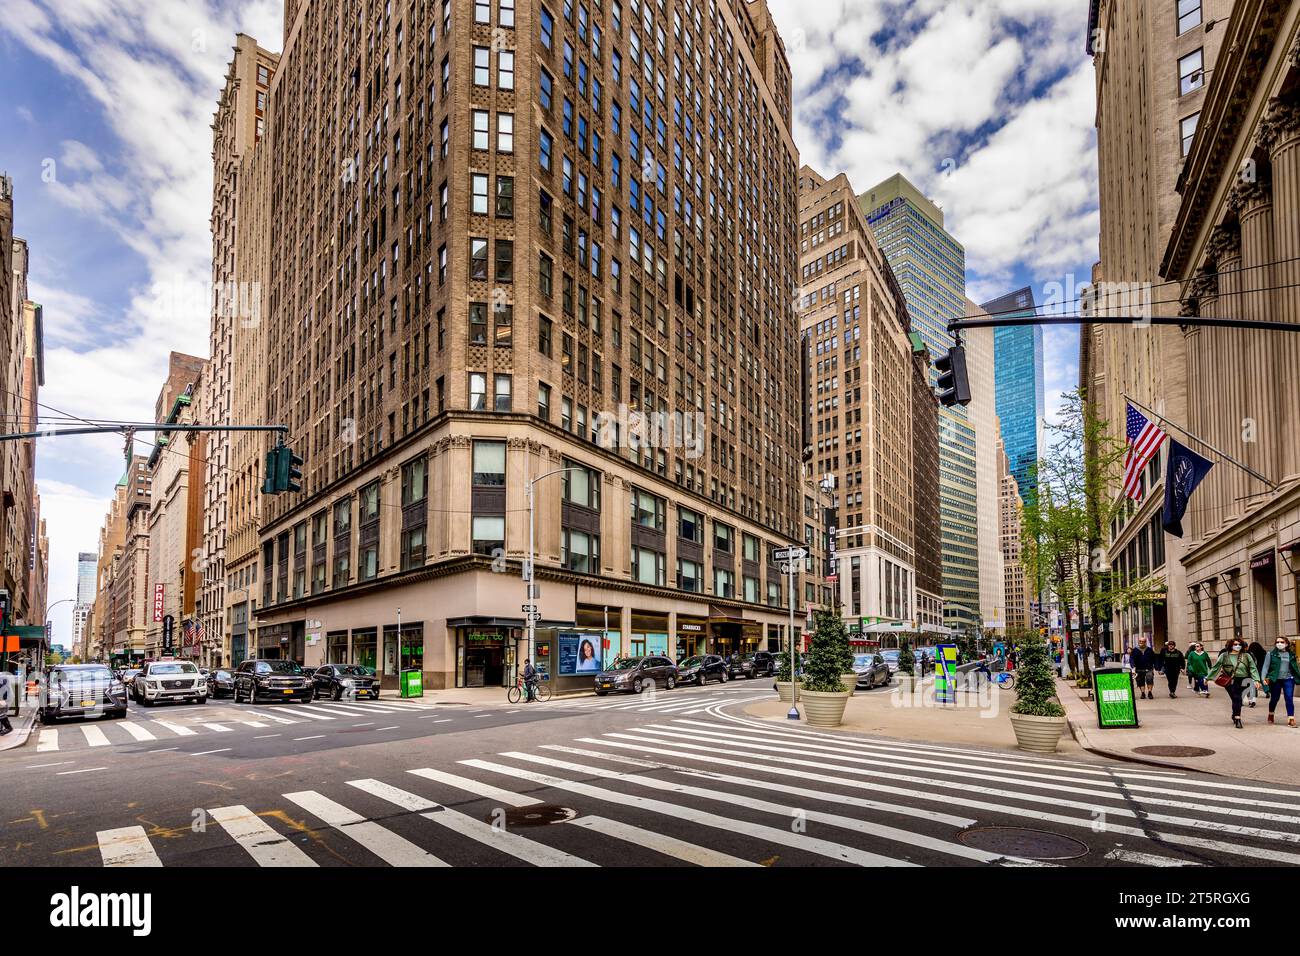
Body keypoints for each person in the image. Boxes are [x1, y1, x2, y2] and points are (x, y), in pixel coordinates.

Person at [1207, 639, 1263, 729]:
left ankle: (1236, 716)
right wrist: (1208, 677)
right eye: (1235, 644)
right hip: (1231, 681)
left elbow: (1253, 668)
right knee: (1236, 698)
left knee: (1237, 699)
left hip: (1244, 680)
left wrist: (1256, 680)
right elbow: (1216, 667)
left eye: (1239, 644)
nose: (1238, 646)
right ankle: (1237, 717)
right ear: (1230, 646)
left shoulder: (1246, 655)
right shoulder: (1224, 656)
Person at [1262, 638, 1299, 727]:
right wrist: (1263, 679)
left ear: (1286, 644)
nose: (1279, 643)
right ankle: (1271, 713)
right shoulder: (1270, 654)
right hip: (1275, 680)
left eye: (1282, 642)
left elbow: (1295, 667)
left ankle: (1291, 719)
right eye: (1277, 642)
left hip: (1288, 679)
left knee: (1289, 698)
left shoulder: (1291, 654)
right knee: (1275, 698)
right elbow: (1265, 668)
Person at [1244, 641, 1267, 708]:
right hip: (1255, 671)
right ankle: (1253, 700)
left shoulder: (1244, 654)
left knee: (1247, 686)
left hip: (1246, 673)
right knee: (1253, 685)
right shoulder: (1252, 653)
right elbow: (1255, 662)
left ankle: (1251, 700)